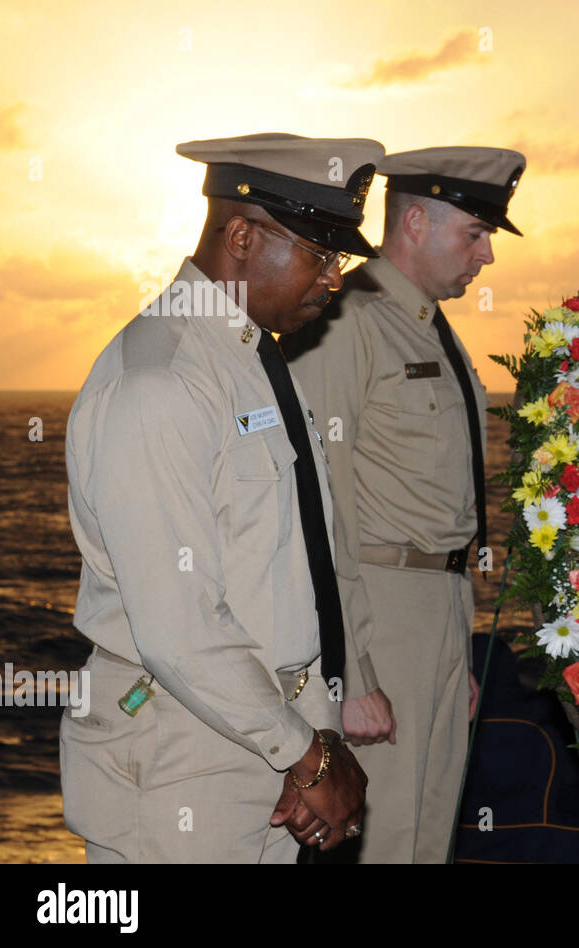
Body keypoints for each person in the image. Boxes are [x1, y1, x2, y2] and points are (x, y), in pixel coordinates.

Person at [62, 133, 383, 862]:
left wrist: (313, 740)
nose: (333, 279)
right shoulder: (161, 379)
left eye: (341, 259)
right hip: (179, 760)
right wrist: (308, 757)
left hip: (262, 746)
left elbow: (288, 584)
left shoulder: (252, 361)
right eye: (320, 254)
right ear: (241, 235)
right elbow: (179, 624)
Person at [284, 146, 525, 863]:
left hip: (441, 610)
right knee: (380, 841)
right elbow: (314, 506)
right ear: (415, 221)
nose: (486, 257)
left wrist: (458, 646)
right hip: (378, 615)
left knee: (425, 839)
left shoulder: (430, 325)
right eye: (475, 235)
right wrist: (352, 675)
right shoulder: (346, 321)